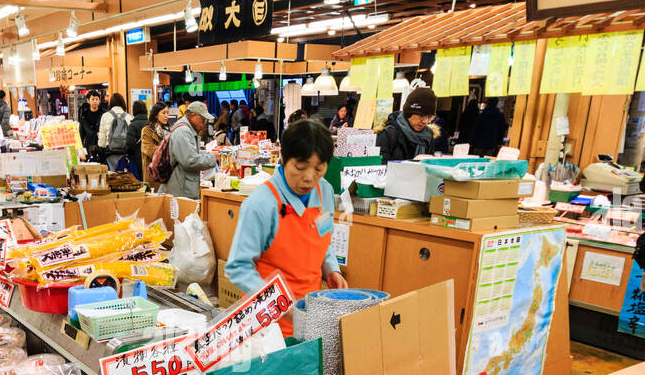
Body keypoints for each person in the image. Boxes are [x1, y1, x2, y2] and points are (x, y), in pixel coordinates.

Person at [226, 118, 347, 337]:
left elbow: (323, 236)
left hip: (309, 317)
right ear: (282, 158)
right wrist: (279, 303)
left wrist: (331, 269)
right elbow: (238, 267)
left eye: (319, 169)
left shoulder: (325, 192)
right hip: (266, 325)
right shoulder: (261, 204)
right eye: (300, 168)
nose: (309, 178)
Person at [160, 99, 217, 200]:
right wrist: (213, 158)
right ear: (192, 115)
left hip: (182, 187)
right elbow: (189, 160)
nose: (203, 124)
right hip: (180, 191)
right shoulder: (183, 132)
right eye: (202, 119)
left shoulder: (187, 130)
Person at [376, 87, 439, 163]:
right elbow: (380, 167)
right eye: (421, 115)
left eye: (429, 117)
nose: (425, 121)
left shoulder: (428, 136)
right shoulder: (387, 134)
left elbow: (429, 166)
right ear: (409, 113)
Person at [140, 100, 169, 188]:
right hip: (153, 175)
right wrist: (168, 151)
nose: (166, 116)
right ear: (156, 115)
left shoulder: (168, 130)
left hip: (166, 174)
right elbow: (149, 149)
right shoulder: (147, 130)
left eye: (167, 113)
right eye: (163, 113)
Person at [97, 92, 130, 170]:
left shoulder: (105, 116)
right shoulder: (129, 117)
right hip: (125, 154)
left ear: (111, 103)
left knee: (112, 177)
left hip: (110, 153)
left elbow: (101, 142)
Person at [124, 99, 148, 179]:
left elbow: (129, 143)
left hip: (137, 159)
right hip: (149, 158)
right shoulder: (150, 124)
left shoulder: (133, 125)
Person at [79, 90, 105, 160]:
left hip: (101, 145)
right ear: (88, 100)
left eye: (97, 99)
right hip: (88, 145)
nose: (95, 101)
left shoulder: (104, 113)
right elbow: (81, 134)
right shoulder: (84, 115)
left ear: (99, 101)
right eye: (93, 99)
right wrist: (80, 150)